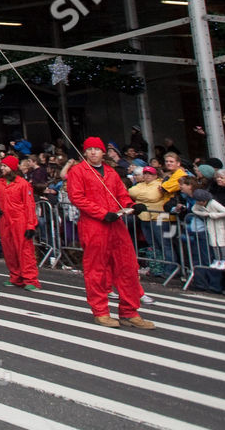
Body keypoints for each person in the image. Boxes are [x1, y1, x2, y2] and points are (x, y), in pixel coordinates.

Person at [66, 136, 153, 327]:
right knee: (96, 270)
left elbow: (121, 194)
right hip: (94, 225)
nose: (93, 152)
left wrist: (132, 206)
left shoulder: (111, 172)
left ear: (103, 152)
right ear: (85, 152)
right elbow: (77, 198)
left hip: (116, 224)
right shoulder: (77, 171)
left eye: (97, 149)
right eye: (90, 149)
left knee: (128, 267)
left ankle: (129, 311)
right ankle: (101, 311)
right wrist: (102, 213)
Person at [0, 155, 40, 290]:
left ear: (12, 168)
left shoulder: (23, 184)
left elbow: (29, 205)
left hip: (20, 220)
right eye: (2, 166)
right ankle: (15, 277)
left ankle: (30, 279)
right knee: (9, 250)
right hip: (5, 220)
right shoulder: (0, 182)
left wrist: (31, 225)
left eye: (5, 166)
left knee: (24, 251)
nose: (2, 168)